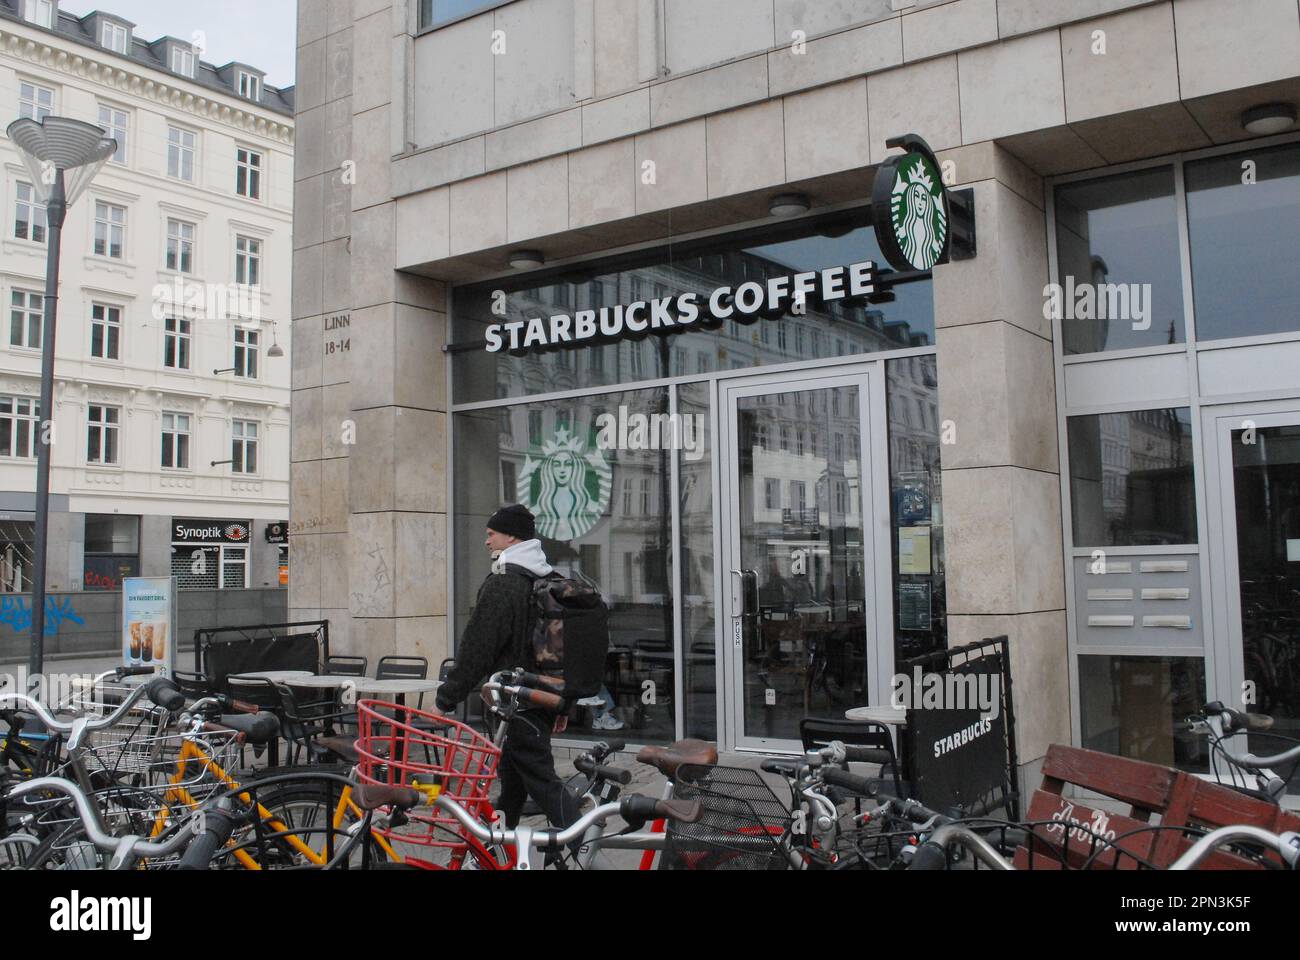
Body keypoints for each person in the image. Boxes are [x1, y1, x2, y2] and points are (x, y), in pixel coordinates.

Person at [435, 504, 579, 831]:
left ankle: (582, 843)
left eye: (491, 534)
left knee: (542, 782)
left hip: (515, 701)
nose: (487, 541)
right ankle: (504, 846)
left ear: (511, 536)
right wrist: (560, 703)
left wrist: (446, 698)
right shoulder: (545, 578)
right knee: (513, 781)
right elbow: (556, 651)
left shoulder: (505, 582)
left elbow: (477, 648)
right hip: (539, 698)